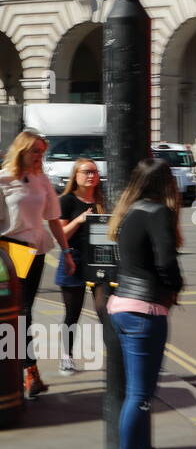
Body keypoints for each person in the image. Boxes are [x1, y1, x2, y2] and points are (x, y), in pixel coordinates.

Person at [106, 158, 186, 449]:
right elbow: (167, 261)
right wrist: (175, 287)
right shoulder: (158, 213)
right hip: (145, 312)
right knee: (140, 394)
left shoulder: (130, 213)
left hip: (124, 309)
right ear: (167, 186)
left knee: (139, 394)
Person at [1, 130, 75, 400]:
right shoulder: (3, 179)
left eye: (42, 152)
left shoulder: (41, 180)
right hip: (10, 251)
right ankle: (27, 371)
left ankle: (27, 372)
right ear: (22, 150)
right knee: (19, 314)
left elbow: (54, 218)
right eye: (35, 151)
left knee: (24, 312)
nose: (39, 157)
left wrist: (66, 252)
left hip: (35, 251)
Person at [56, 158, 106, 375]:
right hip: (73, 260)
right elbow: (61, 235)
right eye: (86, 172)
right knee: (72, 314)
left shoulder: (103, 199)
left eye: (94, 172)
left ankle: (115, 358)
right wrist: (79, 221)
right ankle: (66, 356)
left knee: (105, 311)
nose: (91, 175)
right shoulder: (66, 201)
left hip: (100, 262)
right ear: (75, 176)